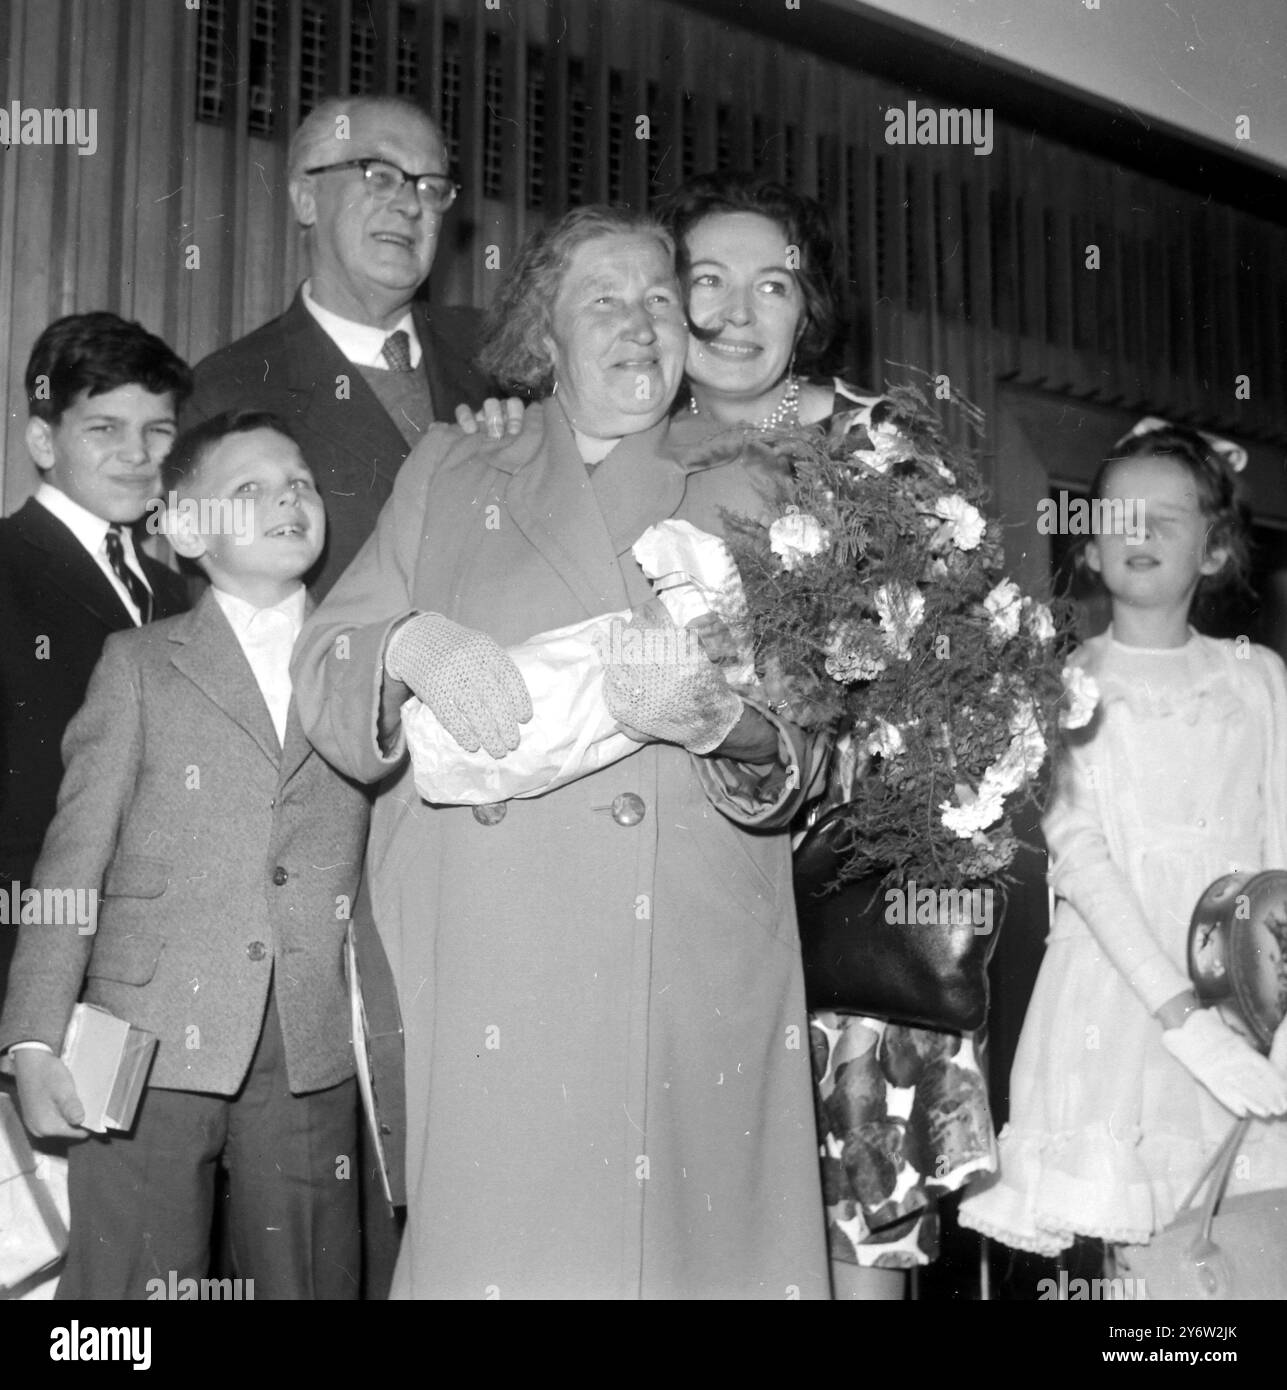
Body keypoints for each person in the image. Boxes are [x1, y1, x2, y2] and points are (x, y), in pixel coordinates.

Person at [291, 205, 829, 1299]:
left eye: (662, 302)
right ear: (546, 335)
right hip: (498, 967)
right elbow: (323, 664)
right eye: (606, 301)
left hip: (686, 965)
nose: (643, 323)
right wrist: (404, 644)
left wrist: (725, 724)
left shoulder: (759, 482)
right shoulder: (449, 468)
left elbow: (816, 744)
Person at [656, 172, 997, 1297]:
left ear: (812, 308)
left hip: (854, 887)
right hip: (687, 897)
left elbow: (969, 662)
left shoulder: (875, 442)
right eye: (709, 281)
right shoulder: (620, 435)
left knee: (858, 1236)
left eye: (774, 284)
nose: (741, 313)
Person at [0, 411, 371, 1298]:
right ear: (190, 527)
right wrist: (33, 1033)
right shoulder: (137, 663)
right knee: (126, 1288)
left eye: (301, 484)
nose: (288, 497)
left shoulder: (363, 660)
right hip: (138, 1030)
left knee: (311, 1274)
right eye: (250, 489)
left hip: (308, 1029)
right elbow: (72, 858)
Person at [959, 424, 1287, 1263]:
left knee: (1239, 1248)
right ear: (1093, 550)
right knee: (1137, 1255)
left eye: (1166, 518)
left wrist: (1275, 1022)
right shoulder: (1063, 681)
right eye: (1118, 517)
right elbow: (1084, 863)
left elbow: (1281, 845)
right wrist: (1186, 1027)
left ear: (1213, 552)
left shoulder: (1255, 676)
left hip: (1246, 995)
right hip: (1122, 998)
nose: (1138, 534)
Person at [184, 95, 495, 599]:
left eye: (432, 188)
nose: (412, 205)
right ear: (306, 198)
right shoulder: (228, 389)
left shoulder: (499, 354)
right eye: (379, 175)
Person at [0, 312, 192, 1006]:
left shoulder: (178, 592)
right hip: (26, 964)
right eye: (104, 429)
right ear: (43, 441)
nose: (137, 455)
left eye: (158, 431)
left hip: (149, 970)